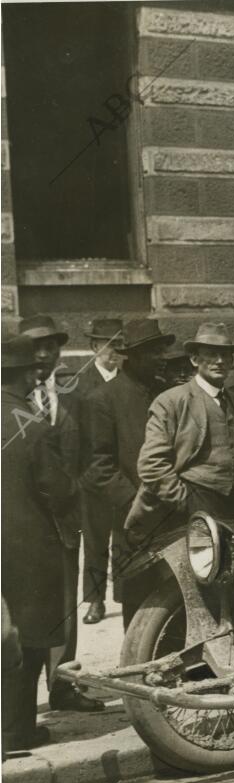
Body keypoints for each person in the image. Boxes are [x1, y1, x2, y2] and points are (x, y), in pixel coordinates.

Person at [17, 315, 103, 713]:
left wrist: (76, 498)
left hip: (66, 518)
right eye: (35, 347)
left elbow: (89, 453)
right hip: (22, 523)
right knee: (25, 608)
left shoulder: (75, 396)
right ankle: (19, 697)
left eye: (50, 347)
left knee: (65, 604)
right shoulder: (9, 399)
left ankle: (63, 685)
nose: (43, 355)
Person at [2, 335, 80, 750]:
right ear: (26, 375)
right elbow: (59, 490)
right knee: (29, 641)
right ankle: (14, 732)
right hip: (27, 549)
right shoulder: (30, 425)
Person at [83, 319, 176, 628]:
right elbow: (99, 466)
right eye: (154, 352)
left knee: (179, 604)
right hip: (133, 524)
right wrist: (137, 502)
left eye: (163, 350)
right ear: (132, 356)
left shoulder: (169, 395)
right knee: (140, 616)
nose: (162, 357)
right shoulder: (104, 400)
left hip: (175, 519)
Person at [127, 323, 234, 543]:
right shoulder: (172, 402)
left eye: (225, 355)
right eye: (211, 354)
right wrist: (183, 500)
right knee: (202, 570)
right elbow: (151, 465)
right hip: (196, 501)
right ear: (194, 360)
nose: (220, 361)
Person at [75, 319, 126, 625]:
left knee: (123, 540)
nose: (114, 353)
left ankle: (124, 593)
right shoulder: (80, 385)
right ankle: (95, 601)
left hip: (122, 478)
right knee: (94, 543)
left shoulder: (128, 381)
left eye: (119, 346)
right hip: (93, 478)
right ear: (94, 347)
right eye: (108, 345)